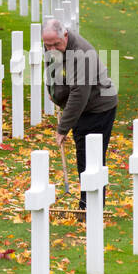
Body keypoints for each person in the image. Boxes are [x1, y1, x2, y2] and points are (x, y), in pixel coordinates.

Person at [43, 17, 118, 210]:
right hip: (84, 106)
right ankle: (88, 204)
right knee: (84, 154)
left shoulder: (81, 54)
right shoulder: (53, 45)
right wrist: (55, 94)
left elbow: (79, 93)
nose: (51, 49)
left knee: (90, 158)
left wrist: (62, 128)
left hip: (99, 108)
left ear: (65, 35)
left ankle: (92, 206)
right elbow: (53, 72)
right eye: (47, 45)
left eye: (56, 44)